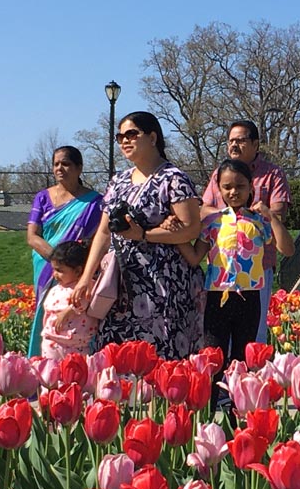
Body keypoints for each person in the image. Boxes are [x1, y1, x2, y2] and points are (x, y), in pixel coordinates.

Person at [71, 112, 204, 360]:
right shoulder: (118, 181)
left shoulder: (173, 179)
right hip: (119, 284)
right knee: (116, 354)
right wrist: (86, 277)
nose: (124, 141)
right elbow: (103, 231)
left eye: (132, 134)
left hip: (162, 283)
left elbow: (191, 228)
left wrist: (143, 234)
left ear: (152, 137)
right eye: (120, 136)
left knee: (160, 353)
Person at [177, 159, 294, 408]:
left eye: (240, 186)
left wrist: (272, 217)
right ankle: (207, 413)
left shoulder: (260, 222)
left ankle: (237, 415)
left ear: (251, 187)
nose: (233, 192)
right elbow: (196, 256)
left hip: (249, 297)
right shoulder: (212, 223)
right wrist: (176, 236)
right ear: (218, 188)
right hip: (217, 297)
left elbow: (287, 249)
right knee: (213, 358)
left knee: (243, 359)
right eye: (227, 186)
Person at [201, 120, 292, 344]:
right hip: (220, 279)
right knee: (218, 345)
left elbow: (278, 217)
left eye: (240, 140)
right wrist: (232, 215)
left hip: (256, 274)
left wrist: (253, 216)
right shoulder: (217, 174)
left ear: (255, 144)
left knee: (252, 341)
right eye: (231, 140)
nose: (234, 145)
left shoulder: (272, 174)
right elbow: (204, 208)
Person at [25, 146, 103, 356]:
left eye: (66, 163)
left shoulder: (95, 202)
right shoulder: (43, 197)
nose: (60, 168)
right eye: (56, 164)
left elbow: (99, 239)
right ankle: (41, 370)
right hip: (48, 265)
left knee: (78, 310)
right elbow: (32, 236)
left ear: (79, 168)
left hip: (78, 269)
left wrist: (73, 264)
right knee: (46, 311)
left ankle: (79, 370)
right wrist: (58, 261)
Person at [40, 240, 99, 359]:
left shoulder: (85, 286)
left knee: (76, 374)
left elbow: (85, 301)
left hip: (77, 345)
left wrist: (69, 311)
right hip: (52, 342)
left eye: (60, 271)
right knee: (52, 373)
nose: (55, 275)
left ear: (78, 271)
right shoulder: (56, 289)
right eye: (54, 269)